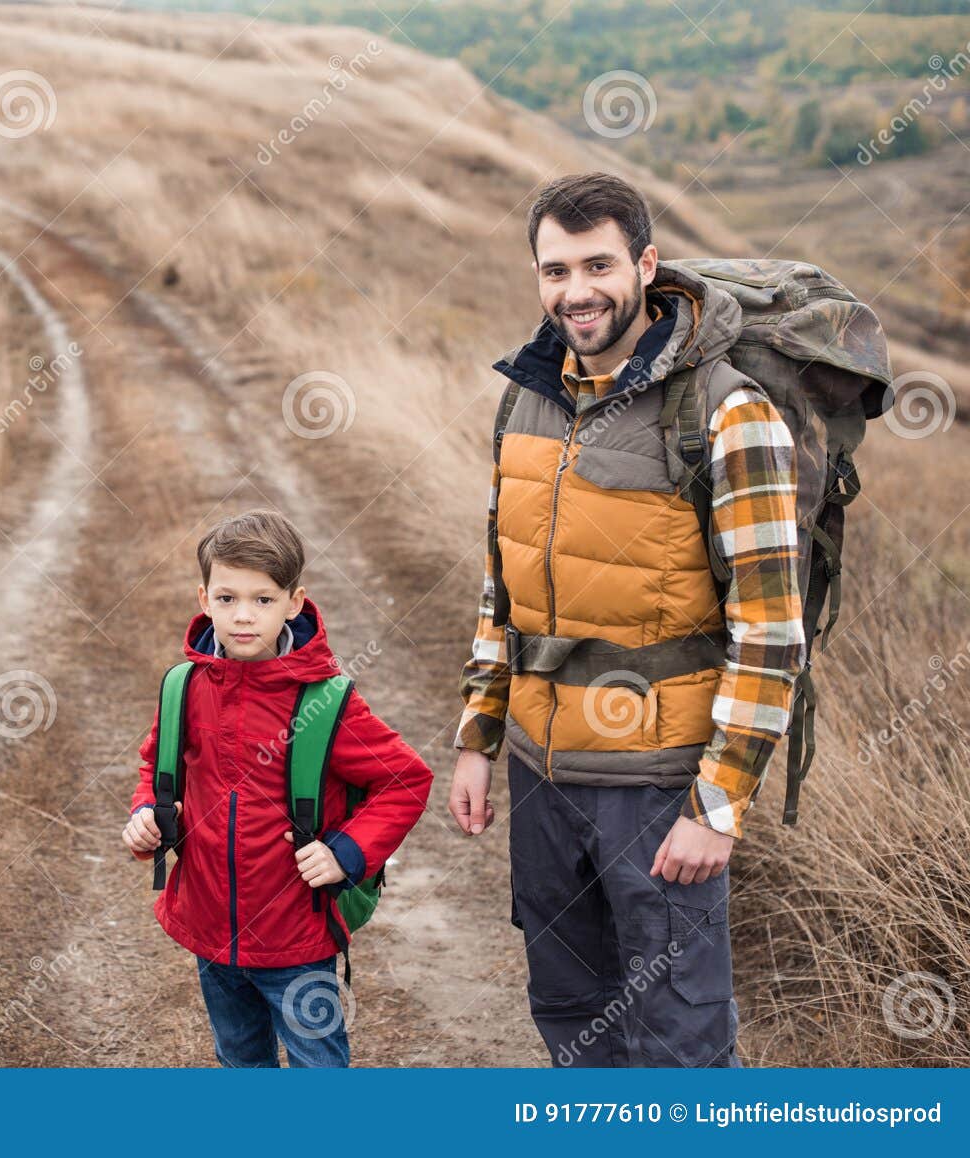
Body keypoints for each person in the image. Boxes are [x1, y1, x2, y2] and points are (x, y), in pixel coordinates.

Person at [448, 171, 806, 1067]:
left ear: (645, 264)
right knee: (570, 1015)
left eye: (598, 264)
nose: (576, 292)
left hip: (656, 788)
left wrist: (716, 807)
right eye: (555, 270)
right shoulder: (523, 397)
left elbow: (771, 635)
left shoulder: (727, 412)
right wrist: (477, 735)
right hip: (540, 773)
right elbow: (506, 586)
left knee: (679, 1039)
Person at [123, 509, 432, 1067]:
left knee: (318, 1066)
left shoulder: (325, 702)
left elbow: (405, 780)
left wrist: (347, 853)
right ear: (203, 597)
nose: (243, 617)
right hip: (210, 927)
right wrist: (146, 812)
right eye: (227, 599)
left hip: (297, 935)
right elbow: (157, 765)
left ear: (295, 601)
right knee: (241, 1060)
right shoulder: (185, 686)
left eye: (263, 600)